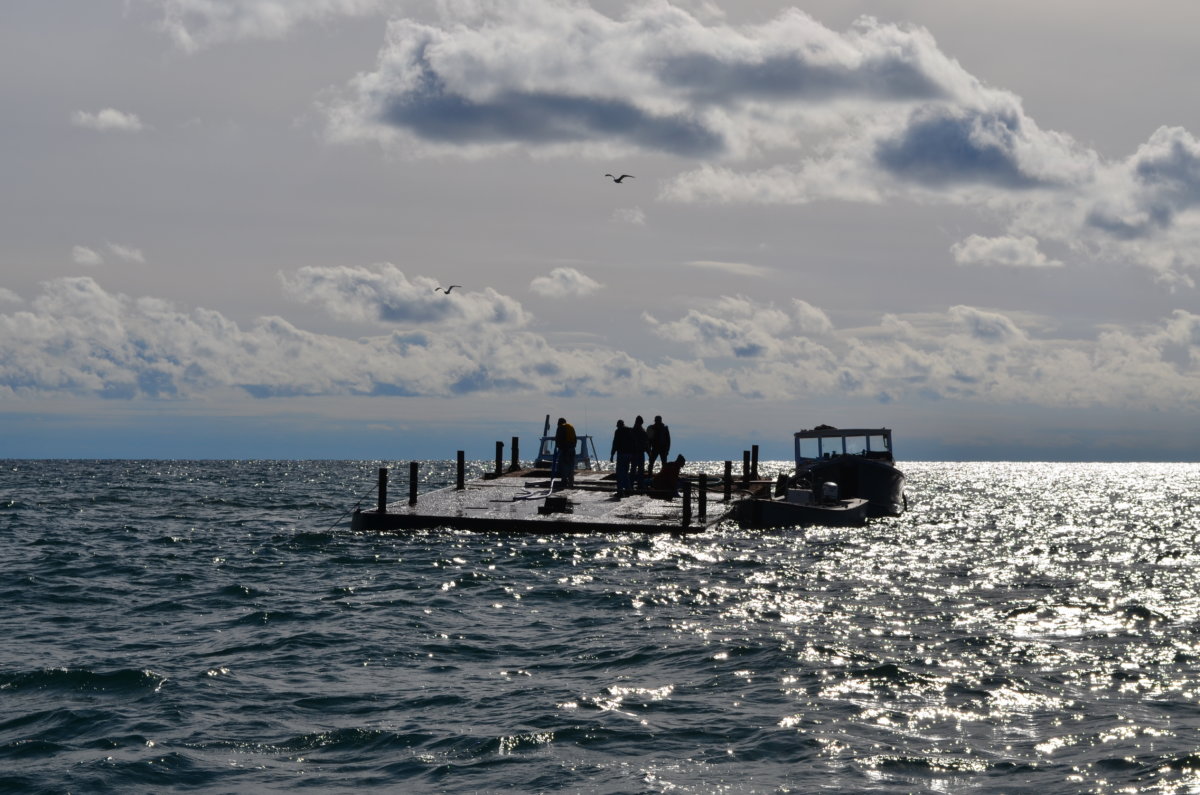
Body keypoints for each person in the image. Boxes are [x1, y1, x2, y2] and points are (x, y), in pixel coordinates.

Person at [609, 419, 637, 498]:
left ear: (618, 425)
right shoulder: (630, 430)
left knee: (620, 473)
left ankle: (620, 491)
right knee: (625, 473)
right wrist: (633, 454)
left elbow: (615, 443)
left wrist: (612, 455)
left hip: (621, 454)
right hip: (629, 455)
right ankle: (628, 490)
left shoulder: (618, 432)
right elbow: (634, 442)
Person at [555, 417, 576, 487]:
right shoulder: (571, 427)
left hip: (565, 450)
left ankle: (564, 481)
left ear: (559, 423)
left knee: (564, 466)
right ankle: (571, 482)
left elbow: (558, 439)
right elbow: (575, 439)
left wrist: (560, 447)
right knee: (571, 466)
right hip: (572, 449)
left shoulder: (561, 428)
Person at [631, 415, 650, 485]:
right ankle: (637, 483)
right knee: (637, 469)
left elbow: (646, 443)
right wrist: (649, 452)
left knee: (636, 469)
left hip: (637, 452)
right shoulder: (641, 431)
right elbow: (646, 443)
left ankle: (635, 483)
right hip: (637, 452)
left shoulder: (634, 430)